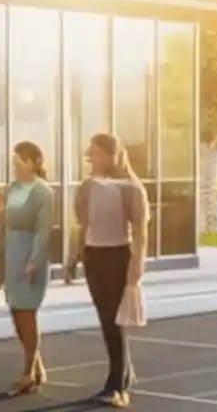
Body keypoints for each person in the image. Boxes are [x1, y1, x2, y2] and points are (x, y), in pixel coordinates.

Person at [66, 133, 150, 408]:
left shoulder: (131, 187)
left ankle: (118, 386)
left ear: (112, 155)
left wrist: (137, 265)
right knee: (105, 318)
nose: (92, 158)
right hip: (94, 256)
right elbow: (82, 223)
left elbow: (140, 230)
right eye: (91, 153)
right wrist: (75, 256)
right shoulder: (88, 186)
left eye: (97, 153)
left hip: (118, 256)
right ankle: (124, 371)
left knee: (116, 320)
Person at [0, 141, 54, 396]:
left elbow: (43, 229)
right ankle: (37, 367)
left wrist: (33, 261)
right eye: (14, 159)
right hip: (12, 253)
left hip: (30, 255)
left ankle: (28, 372)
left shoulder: (42, 192)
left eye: (19, 159)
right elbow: (5, 226)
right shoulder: (13, 188)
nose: (15, 164)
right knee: (17, 314)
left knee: (27, 314)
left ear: (32, 163)